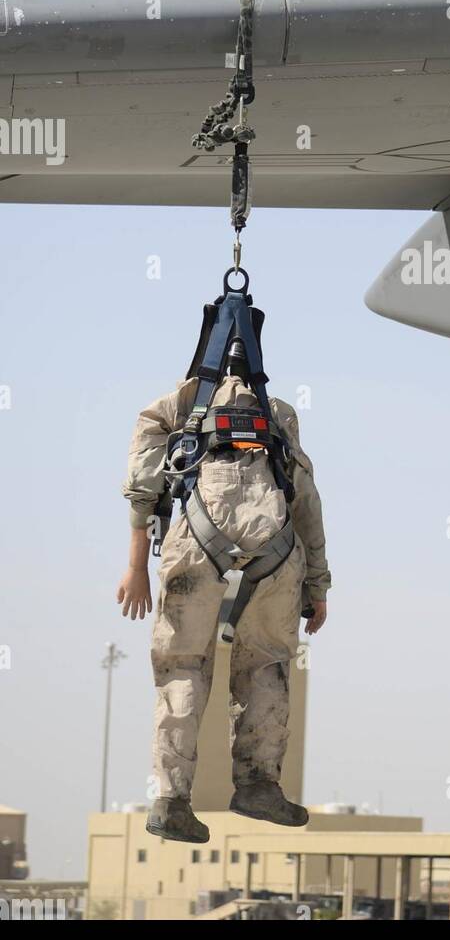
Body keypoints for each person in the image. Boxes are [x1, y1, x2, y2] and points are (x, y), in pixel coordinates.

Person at [117, 332, 331, 844]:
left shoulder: (175, 406)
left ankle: (170, 799)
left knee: (182, 666)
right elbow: (305, 500)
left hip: (196, 541)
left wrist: (135, 567)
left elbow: (142, 485)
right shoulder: (278, 414)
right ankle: (258, 785)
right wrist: (318, 585)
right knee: (267, 663)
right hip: (275, 549)